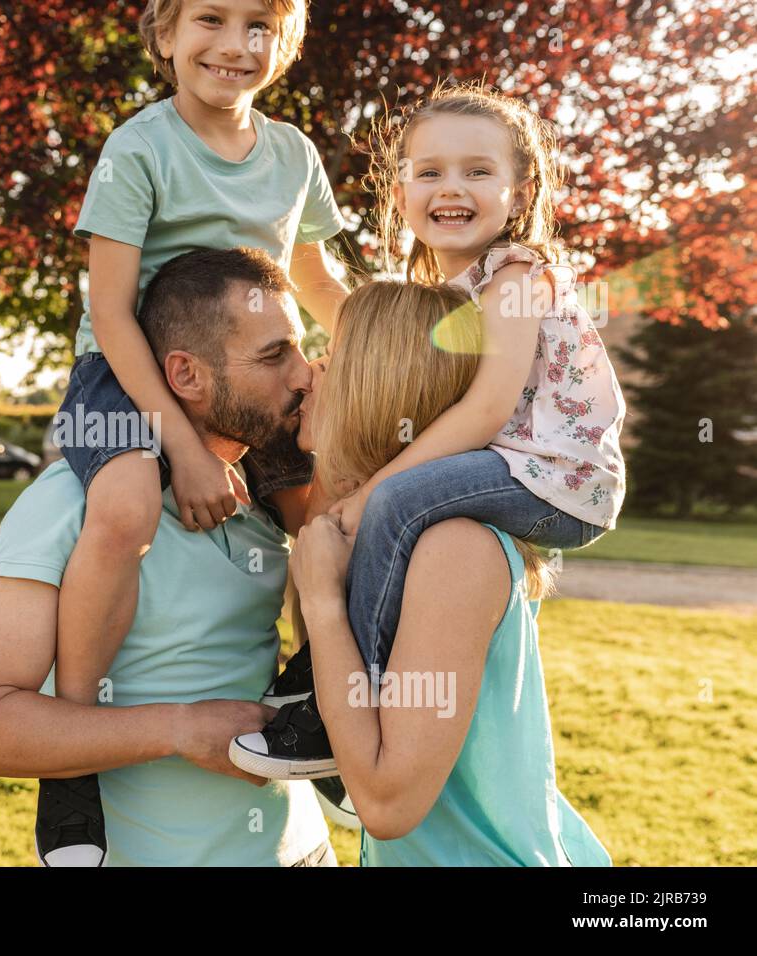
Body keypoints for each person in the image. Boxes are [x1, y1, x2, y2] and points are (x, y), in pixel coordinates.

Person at [231, 83, 626, 796]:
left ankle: (336, 701)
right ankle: (323, 687)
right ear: (400, 187)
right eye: (431, 171)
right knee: (381, 511)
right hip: (522, 471)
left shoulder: (513, 277)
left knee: (394, 507)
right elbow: (351, 316)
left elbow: (484, 410)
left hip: (557, 481)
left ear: (522, 188)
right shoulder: (452, 288)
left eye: (479, 171)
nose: (453, 188)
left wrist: (374, 494)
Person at [41, 0, 350, 864]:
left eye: (260, 25)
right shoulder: (140, 147)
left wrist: (392, 340)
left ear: (283, 44)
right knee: (129, 506)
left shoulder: (293, 155)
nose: (235, 44)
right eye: (210, 18)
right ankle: (70, 760)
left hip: (249, 370)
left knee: (335, 515)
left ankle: (310, 700)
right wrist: (177, 443)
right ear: (165, 35)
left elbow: (319, 280)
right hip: (126, 367)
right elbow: (109, 307)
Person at [0, 247, 334, 866]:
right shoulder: (73, 505)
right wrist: (179, 729)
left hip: (303, 850)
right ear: (186, 376)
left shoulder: (265, 498)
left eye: (299, 349)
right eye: (273, 354)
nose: (304, 374)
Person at [242, 279, 613, 865]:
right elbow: (345, 728)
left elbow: (387, 806)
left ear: (380, 389)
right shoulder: (391, 544)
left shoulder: (453, 548)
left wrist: (323, 605)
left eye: (333, 358)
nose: (310, 372)